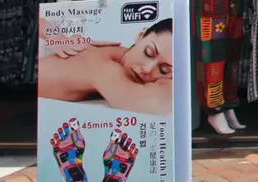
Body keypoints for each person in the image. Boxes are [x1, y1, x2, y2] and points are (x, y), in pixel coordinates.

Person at [37, 19, 175, 115]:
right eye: (148, 53)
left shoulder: (113, 56)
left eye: (164, 70)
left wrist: (57, 36)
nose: (147, 69)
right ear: (140, 36)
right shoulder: (105, 67)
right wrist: (57, 37)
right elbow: (154, 105)